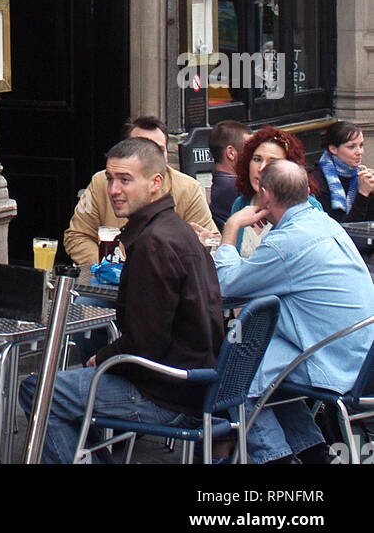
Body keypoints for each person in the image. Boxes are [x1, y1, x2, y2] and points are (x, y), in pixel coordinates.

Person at [21, 137, 225, 464]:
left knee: (39, 391)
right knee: (58, 388)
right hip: (191, 384)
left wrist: (102, 357)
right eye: (110, 178)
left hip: (168, 394)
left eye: (126, 180)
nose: (114, 189)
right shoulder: (173, 229)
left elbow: (146, 342)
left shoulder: (155, 243)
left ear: (156, 183)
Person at [215, 158, 374, 464]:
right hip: (360, 355)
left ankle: (276, 460)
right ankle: (316, 457)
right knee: (264, 368)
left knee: (238, 374)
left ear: (265, 195)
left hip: (335, 363)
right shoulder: (325, 222)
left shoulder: (286, 242)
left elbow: (226, 285)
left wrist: (232, 226)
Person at [64, 115, 216, 265]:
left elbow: (211, 240)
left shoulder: (187, 188)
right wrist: (110, 267)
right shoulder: (101, 182)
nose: (115, 189)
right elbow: (77, 236)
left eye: (159, 150)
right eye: (141, 148)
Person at [227, 125, 322, 255]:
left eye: (272, 162)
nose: (261, 168)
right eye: (257, 159)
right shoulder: (241, 203)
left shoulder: (308, 206)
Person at [311, 120, 374, 223]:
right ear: (333, 149)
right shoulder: (317, 181)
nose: (360, 152)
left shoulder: (362, 176)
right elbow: (342, 228)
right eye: (351, 147)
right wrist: (363, 194)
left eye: (361, 145)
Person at [208, 120, 252, 230]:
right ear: (231, 153)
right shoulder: (234, 188)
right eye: (250, 150)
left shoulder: (223, 183)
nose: (254, 155)